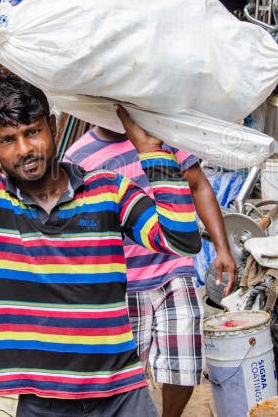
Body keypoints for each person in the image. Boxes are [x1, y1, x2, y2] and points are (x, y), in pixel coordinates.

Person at [0, 36, 201, 417]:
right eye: (7, 140)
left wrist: (153, 153)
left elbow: (182, 239)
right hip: (41, 402)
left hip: (121, 395)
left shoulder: (109, 191)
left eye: (32, 132)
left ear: (52, 126)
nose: (23, 150)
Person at [64, 126, 237, 417]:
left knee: (183, 363)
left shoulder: (162, 135)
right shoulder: (78, 157)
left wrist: (222, 248)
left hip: (173, 268)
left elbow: (197, 185)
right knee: (123, 373)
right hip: (120, 281)